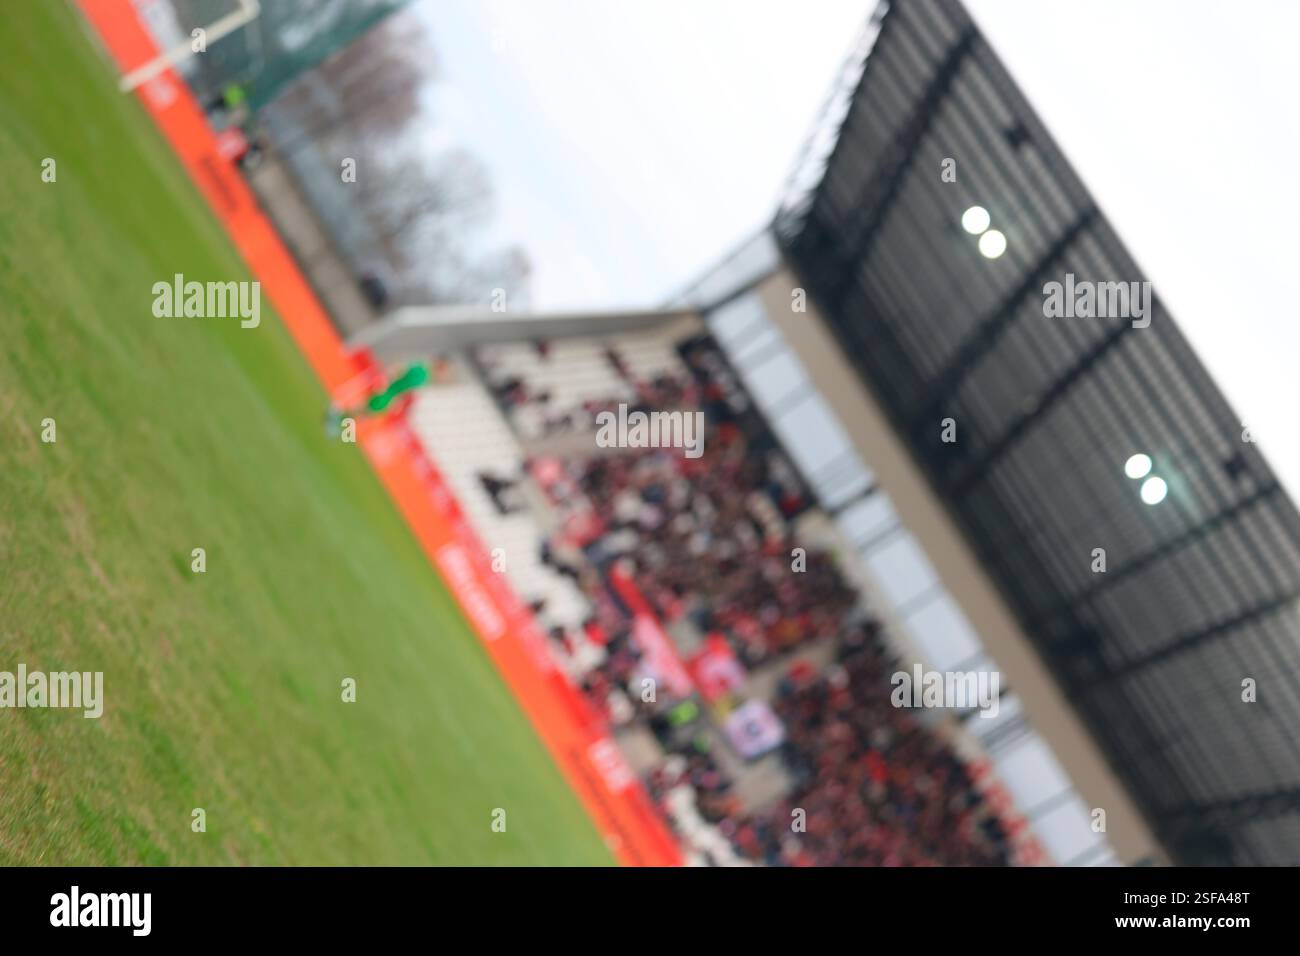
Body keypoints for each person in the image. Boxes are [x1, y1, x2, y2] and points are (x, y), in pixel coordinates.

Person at [324, 359, 438, 436]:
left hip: (392, 396)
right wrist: (387, 379)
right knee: (365, 406)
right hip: (388, 389)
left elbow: (408, 392)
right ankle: (337, 416)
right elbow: (400, 369)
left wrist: (397, 402)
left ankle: (340, 422)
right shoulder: (419, 368)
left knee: (368, 412)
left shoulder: (424, 380)